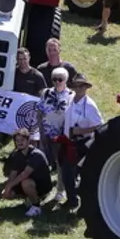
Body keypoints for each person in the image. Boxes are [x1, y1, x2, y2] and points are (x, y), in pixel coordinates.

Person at [58, 74, 104, 212]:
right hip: (68, 141)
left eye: (81, 85)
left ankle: (78, 201)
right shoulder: (70, 98)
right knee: (67, 172)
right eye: (76, 85)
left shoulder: (90, 105)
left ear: (85, 87)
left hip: (81, 143)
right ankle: (73, 199)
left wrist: (81, 131)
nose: (78, 88)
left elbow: (99, 125)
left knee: (74, 172)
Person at [0, 128, 52, 218]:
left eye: (22, 140)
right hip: (26, 183)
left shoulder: (36, 154)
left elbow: (25, 174)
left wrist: (9, 186)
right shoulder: (16, 155)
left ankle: (36, 207)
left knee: (26, 182)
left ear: (28, 141)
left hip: (42, 185)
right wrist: (7, 188)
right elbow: (13, 174)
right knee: (8, 193)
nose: (19, 143)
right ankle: (29, 198)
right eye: (17, 140)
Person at [38, 69, 72, 199]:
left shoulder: (71, 95)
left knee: (60, 163)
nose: (57, 82)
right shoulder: (46, 93)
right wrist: (41, 133)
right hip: (46, 133)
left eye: (60, 79)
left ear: (66, 80)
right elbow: (39, 113)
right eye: (54, 79)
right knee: (42, 161)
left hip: (62, 135)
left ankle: (60, 190)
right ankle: (43, 189)